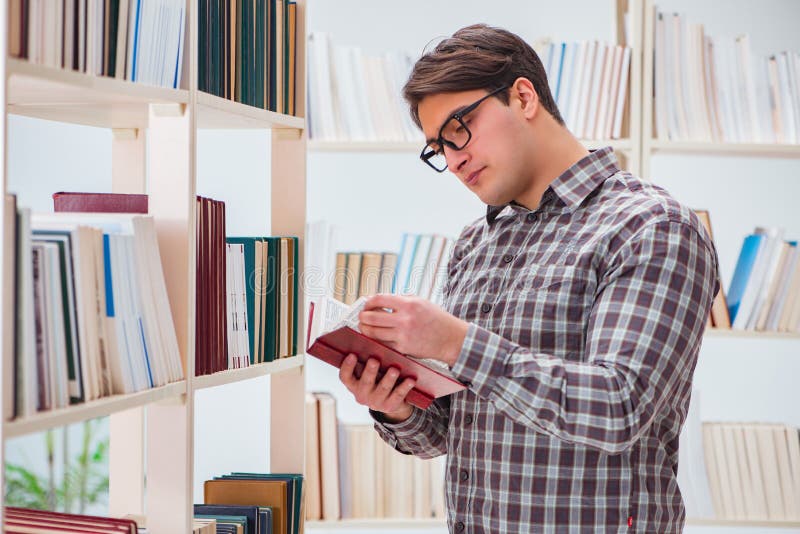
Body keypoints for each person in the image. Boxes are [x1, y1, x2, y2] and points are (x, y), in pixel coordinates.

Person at [336, 23, 720, 533]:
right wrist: (395, 406)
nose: (454, 158)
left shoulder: (650, 227)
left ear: (522, 96)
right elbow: (452, 433)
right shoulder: (476, 244)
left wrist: (457, 342)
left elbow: (620, 407)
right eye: (438, 147)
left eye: (460, 126)